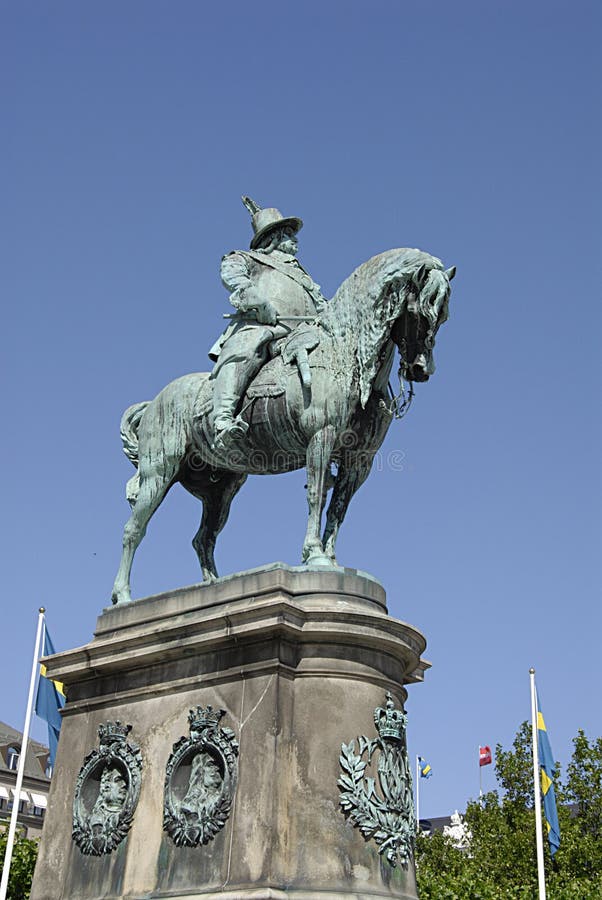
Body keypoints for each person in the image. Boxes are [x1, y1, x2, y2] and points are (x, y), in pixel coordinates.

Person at [208, 196, 327, 450]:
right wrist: (259, 303)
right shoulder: (249, 258)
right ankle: (223, 421)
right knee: (244, 351)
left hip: (301, 333)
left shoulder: (302, 274)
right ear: (272, 239)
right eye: (287, 234)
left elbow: (321, 304)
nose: (294, 239)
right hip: (263, 327)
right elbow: (232, 274)